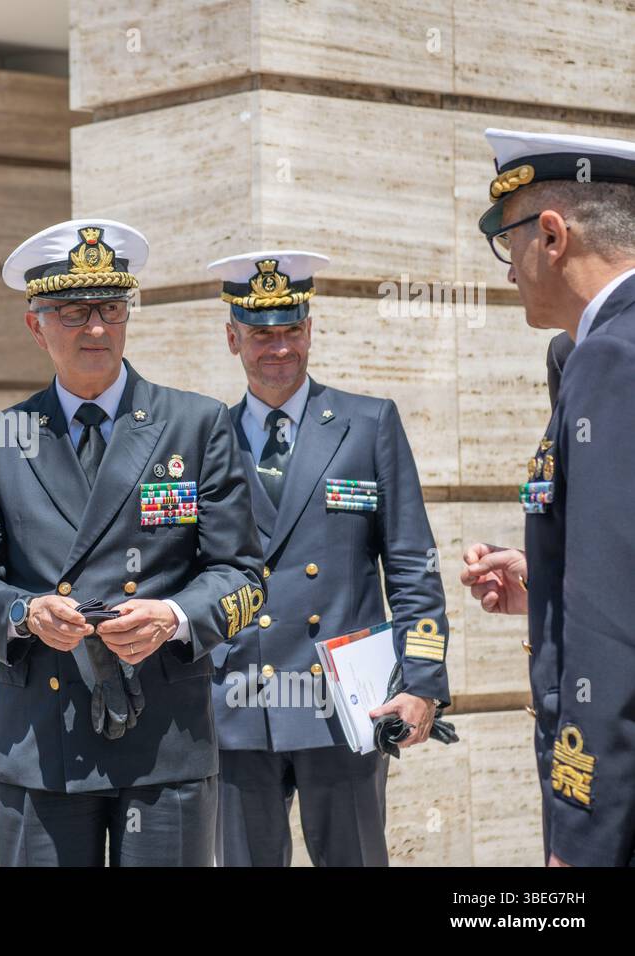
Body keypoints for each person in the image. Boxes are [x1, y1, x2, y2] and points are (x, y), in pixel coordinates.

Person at [0, 220, 264, 866]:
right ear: (36, 326)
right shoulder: (0, 440)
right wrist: (25, 614)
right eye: (73, 312)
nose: (96, 328)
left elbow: (242, 577)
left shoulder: (195, 427)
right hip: (43, 744)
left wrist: (173, 617)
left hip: (164, 741)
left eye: (111, 309)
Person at [205, 250, 451, 866]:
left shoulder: (368, 424)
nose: (278, 348)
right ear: (233, 338)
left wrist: (422, 683)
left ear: (311, 330)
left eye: (291, 330)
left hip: (342, 705)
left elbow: (413, 563)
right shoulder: (204, 436)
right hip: (238, 702)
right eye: (261, 333)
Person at [460, 128, 635, 868]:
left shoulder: (610, 357)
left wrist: (581, 833)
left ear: (552, 235)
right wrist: (547, 585)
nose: (508, 275)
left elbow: (609, 628)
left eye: (508, 244)